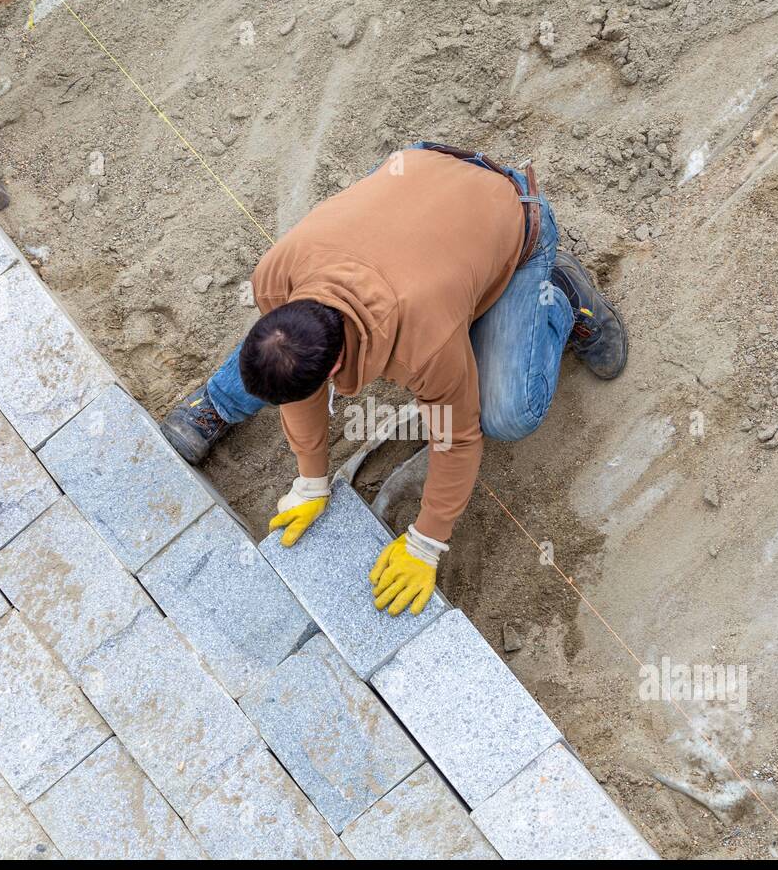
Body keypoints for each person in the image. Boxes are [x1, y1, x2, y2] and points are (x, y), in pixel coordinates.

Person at [161, 142, 627, 616]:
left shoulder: (422, 346)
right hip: (414, 178)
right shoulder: (275, 275)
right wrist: (311, 482)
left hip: (511, 215)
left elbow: (458, 439)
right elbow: (299, 387)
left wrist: (425, 543)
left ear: (337, 369)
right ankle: (219, 403)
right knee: (281, 360)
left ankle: (559, 294)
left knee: (507, 413)